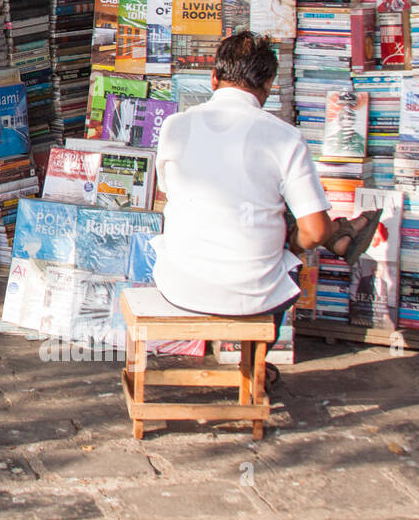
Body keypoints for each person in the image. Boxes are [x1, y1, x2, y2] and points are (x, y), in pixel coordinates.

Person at [150, 32, 382, 369]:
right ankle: (254, 366)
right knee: (289, 214)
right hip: (251, 293)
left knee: (257, 203)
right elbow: (314, 232)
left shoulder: (174, 126)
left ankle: (340, 235)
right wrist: (292, 244)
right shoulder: (284, 137)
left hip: (181, 284)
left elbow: (171, 193)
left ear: (214, 77)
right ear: (269, 84)